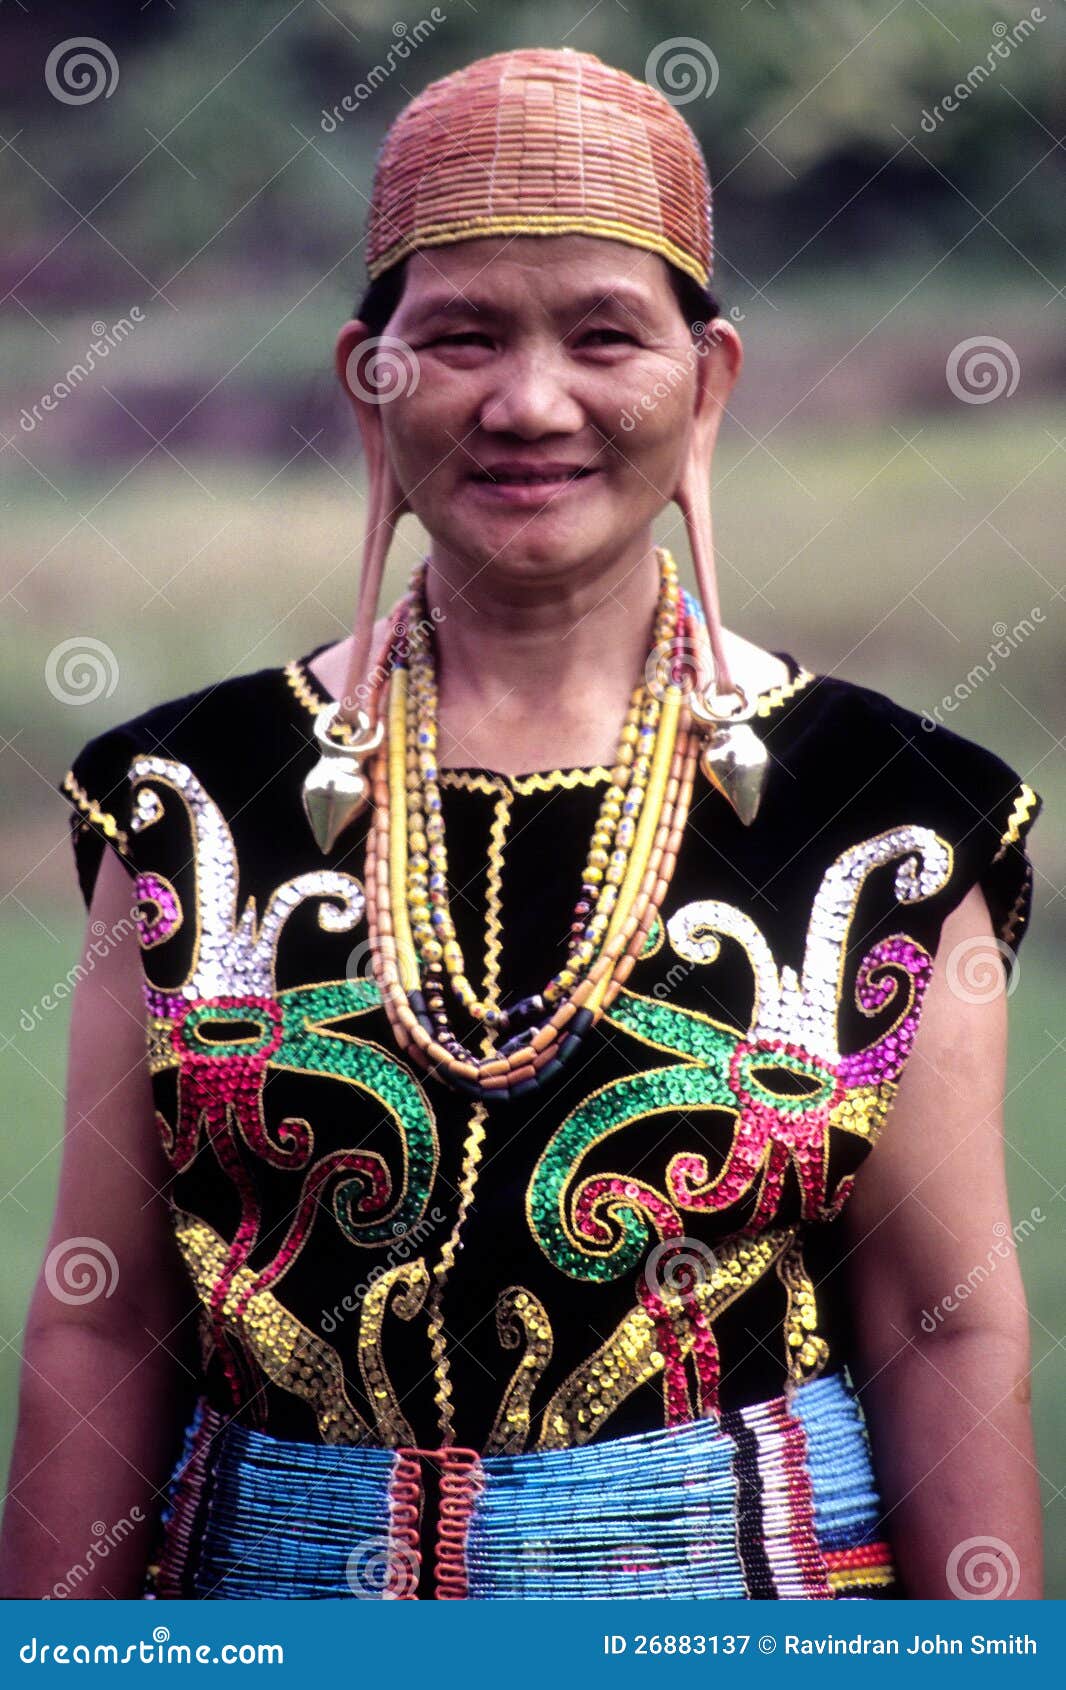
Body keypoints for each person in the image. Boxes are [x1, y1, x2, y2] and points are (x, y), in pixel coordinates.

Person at [0, 47, 1045, 1602]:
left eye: (604, 334)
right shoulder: (182, 799)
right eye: (463, 336)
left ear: (708, 380)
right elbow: (102, 1310)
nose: (530, 401)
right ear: (371, 375)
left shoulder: (890, 814)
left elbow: (937, 1320)